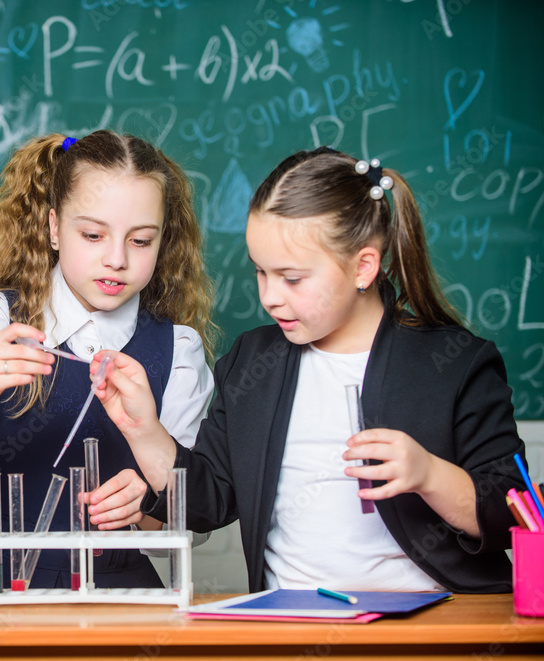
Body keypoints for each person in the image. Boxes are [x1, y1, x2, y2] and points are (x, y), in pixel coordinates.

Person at [93, 147, 525, 594]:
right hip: (293, 624)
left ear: (363, 267)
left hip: (434, 624)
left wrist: (429, 475)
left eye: (293, 278)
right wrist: (144, 431)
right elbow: (208, 502)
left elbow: (513, 512)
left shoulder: (454, 363)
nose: (271, 297)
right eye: (261, 272)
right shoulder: (254, 361)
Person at [0, 130, 217, 593]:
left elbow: (184, 529)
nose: (115, 259)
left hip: (116, 595)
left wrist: (151, 500)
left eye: (140, 241)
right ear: (54, 228)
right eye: (92, 234)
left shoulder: (178, 351)